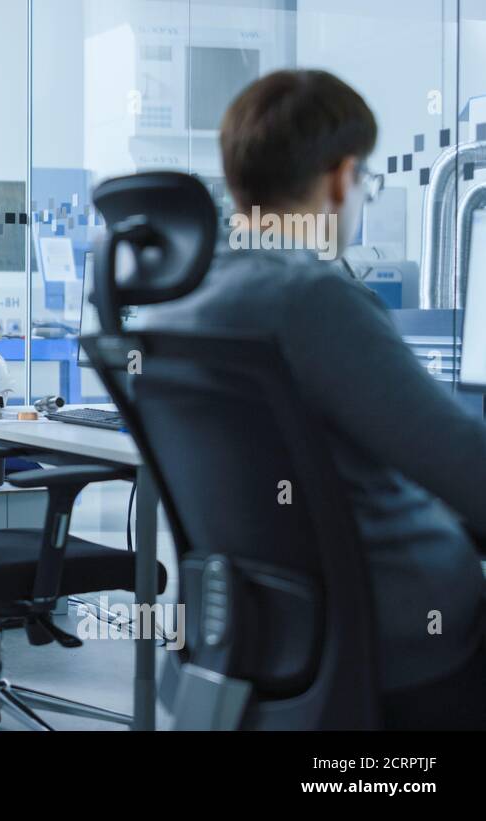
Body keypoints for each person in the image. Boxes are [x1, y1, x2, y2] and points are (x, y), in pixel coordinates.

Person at [142, 69, 484, 729]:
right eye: (364, 180)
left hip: (263, 628)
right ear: (338, 176)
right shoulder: (311, 297)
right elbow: (466, 468)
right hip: (407, 634)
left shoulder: (177, 307)